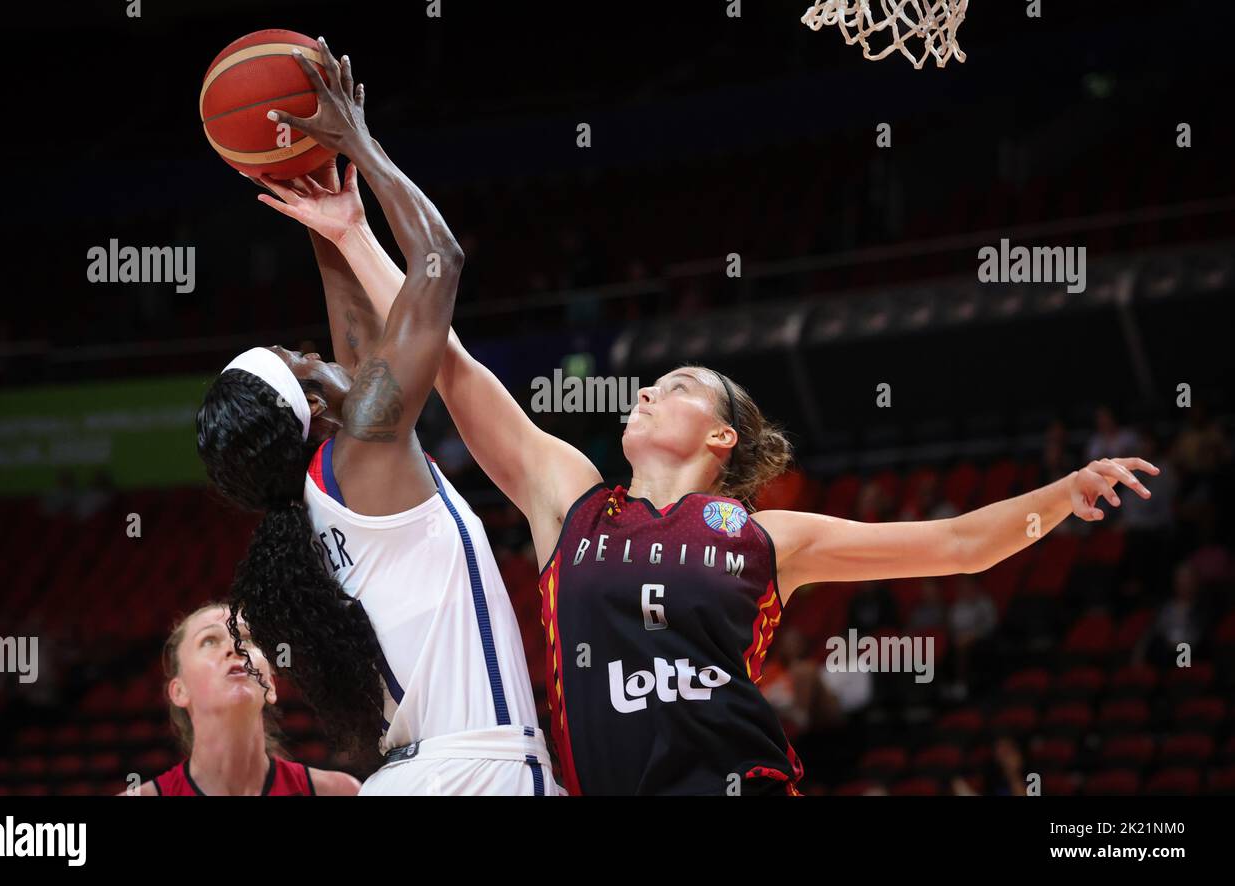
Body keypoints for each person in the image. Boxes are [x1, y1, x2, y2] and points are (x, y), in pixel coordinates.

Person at [256, 90, 1160, 796]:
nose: (648, 390)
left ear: (722, 435)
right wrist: (351, 227)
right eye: (649, 382)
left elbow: (960, 546)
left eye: (677, 385)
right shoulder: (570, 497)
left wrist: (1060, 494)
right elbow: (445, 362)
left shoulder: (766, 538)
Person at [196, 38, 552, 795]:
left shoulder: (324, 496)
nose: (322, 354)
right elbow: (438, 264)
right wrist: (358, 139)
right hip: (477, 776)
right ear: (314, 407)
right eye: (304, 357)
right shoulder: (361, 455)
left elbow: (358, 360)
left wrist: (323, 210)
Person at [127, 603, 360, 795]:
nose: (235, 647)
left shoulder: (339, 792)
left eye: (246, 637)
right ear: (179, 691)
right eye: (209, 640)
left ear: (269, 684)